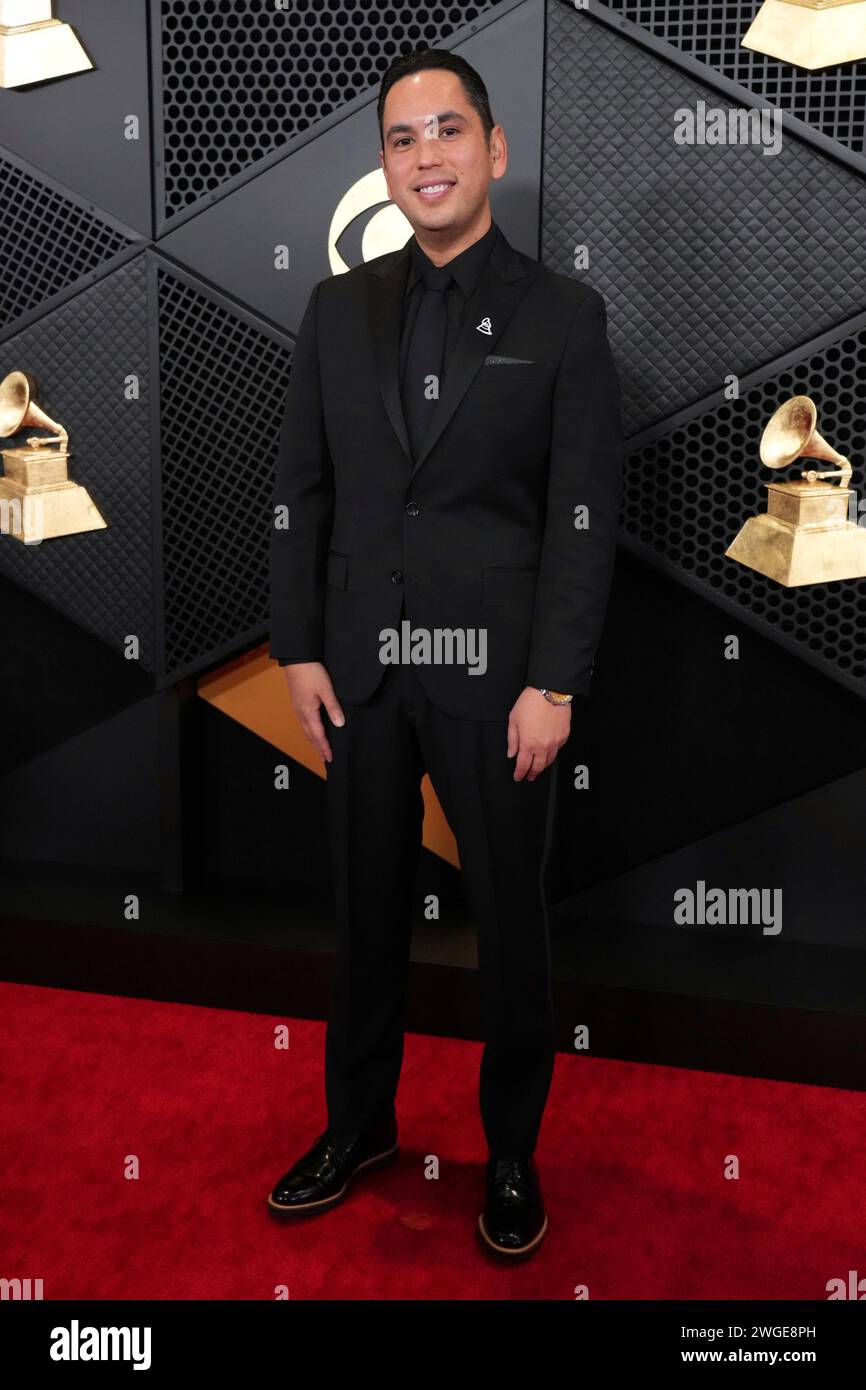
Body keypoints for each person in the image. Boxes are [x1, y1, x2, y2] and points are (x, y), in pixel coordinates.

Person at [266, 47, 623, 1259]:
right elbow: (299, 494)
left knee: (507, 930)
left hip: (498, 682)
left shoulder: (563, 316)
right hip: (358, 674)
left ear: (493, 150)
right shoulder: (333, 308)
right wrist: (299, 649)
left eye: (448, 131)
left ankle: (510, 1155)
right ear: (384, 163)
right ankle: (356, 1126)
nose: (426, 154)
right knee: (364, 919)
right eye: (404, 137)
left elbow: (582, 511)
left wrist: (554, 679)